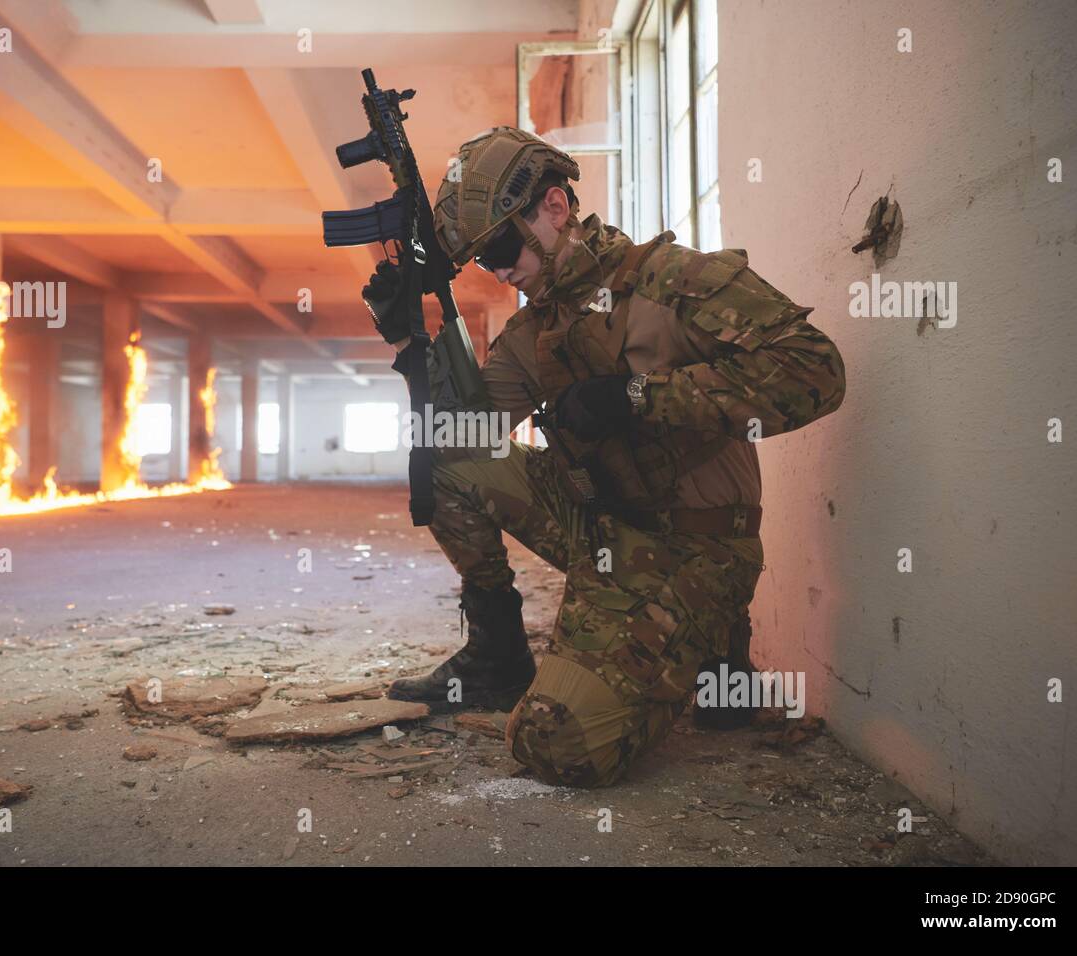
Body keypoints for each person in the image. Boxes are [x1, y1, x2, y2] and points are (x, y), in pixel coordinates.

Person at [362, 127, 846, 787]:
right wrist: (412, 342)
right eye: (482, 260)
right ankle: (499, 654)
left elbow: (815, 371)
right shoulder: (536, 333)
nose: (499, 271)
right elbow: (460, 433)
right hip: (600, 527)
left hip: (692, 551)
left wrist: (638, 396)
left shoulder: (674, 282)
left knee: (554, 744)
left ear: (555, 207)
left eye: (502, 246)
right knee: (446, 461)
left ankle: (711, 646)